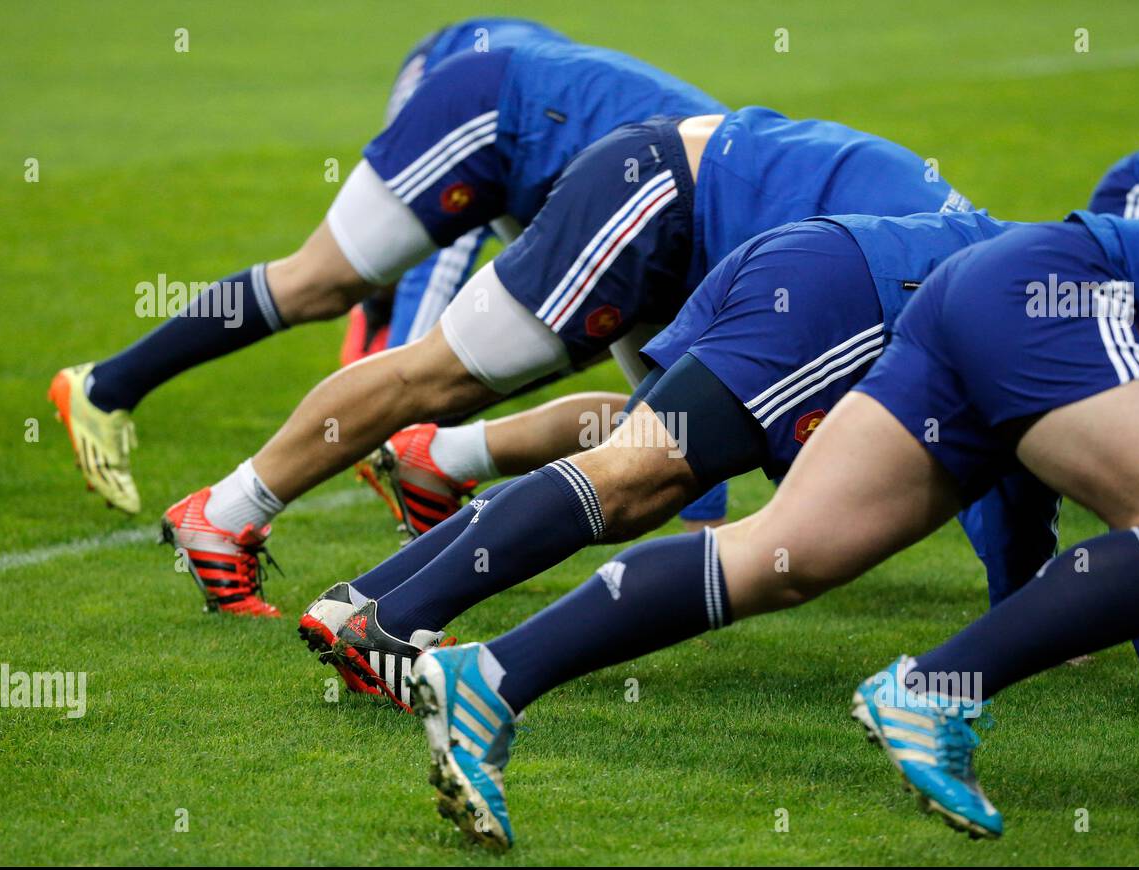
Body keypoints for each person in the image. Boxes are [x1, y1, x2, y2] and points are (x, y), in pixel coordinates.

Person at [402, 211, 1139, 848]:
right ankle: (935, 691)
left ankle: (493, 675)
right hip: (1052, 292)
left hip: (969, 293)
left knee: (785, 554)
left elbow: (1060, 505)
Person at [306, 211, 1139, 718]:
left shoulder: (1126, 286)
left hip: (810, 259)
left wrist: (1024, 626)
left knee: (629, 485)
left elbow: (1018, 488)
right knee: (636, 480)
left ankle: (364, 602)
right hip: (848, 293)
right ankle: (400, 626)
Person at [162, 106, 971, 616]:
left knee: (650, 461)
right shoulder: (977, 285)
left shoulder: (975, 257)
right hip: (664, 199)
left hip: (710, 231)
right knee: (442, 373)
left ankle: (417, 509)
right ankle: (227, 514)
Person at [47, 24, 723, 514]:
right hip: (493, 111)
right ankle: (112, 392)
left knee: (563, 359)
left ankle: (429, 462)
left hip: (565, 159)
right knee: (338, 294)